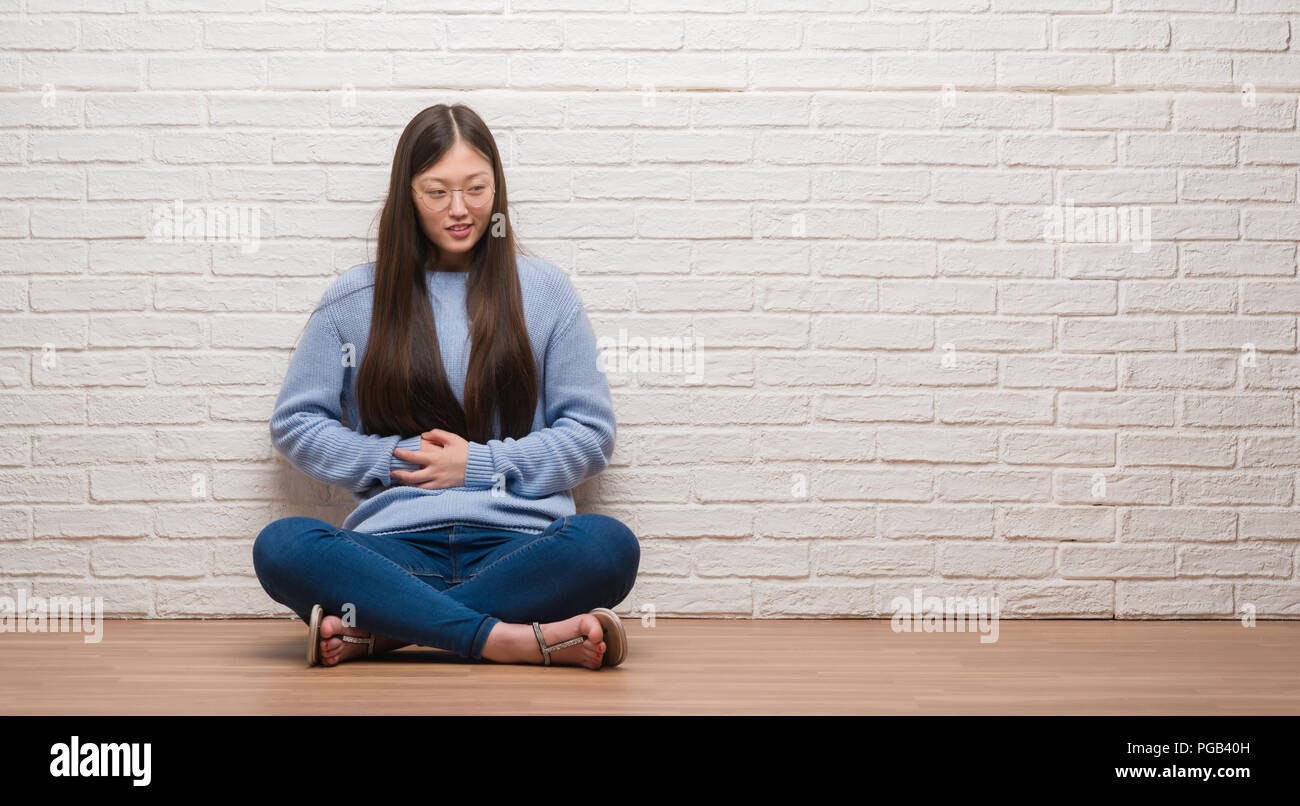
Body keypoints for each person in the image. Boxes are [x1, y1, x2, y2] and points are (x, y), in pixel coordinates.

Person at [252, 103, 639, 670]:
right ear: (407, 194)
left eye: (475, 189)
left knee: (608, 546)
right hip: (392, 553)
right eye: (437, 192)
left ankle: (386, 633)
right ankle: (507, 638)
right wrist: (396, 459)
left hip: (519, 549)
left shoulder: (547, 292)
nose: (460, 210)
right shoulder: (353, 298)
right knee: (283, 545)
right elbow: (296, 424)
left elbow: (591, 435)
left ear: (496, 188)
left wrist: (478, 465)